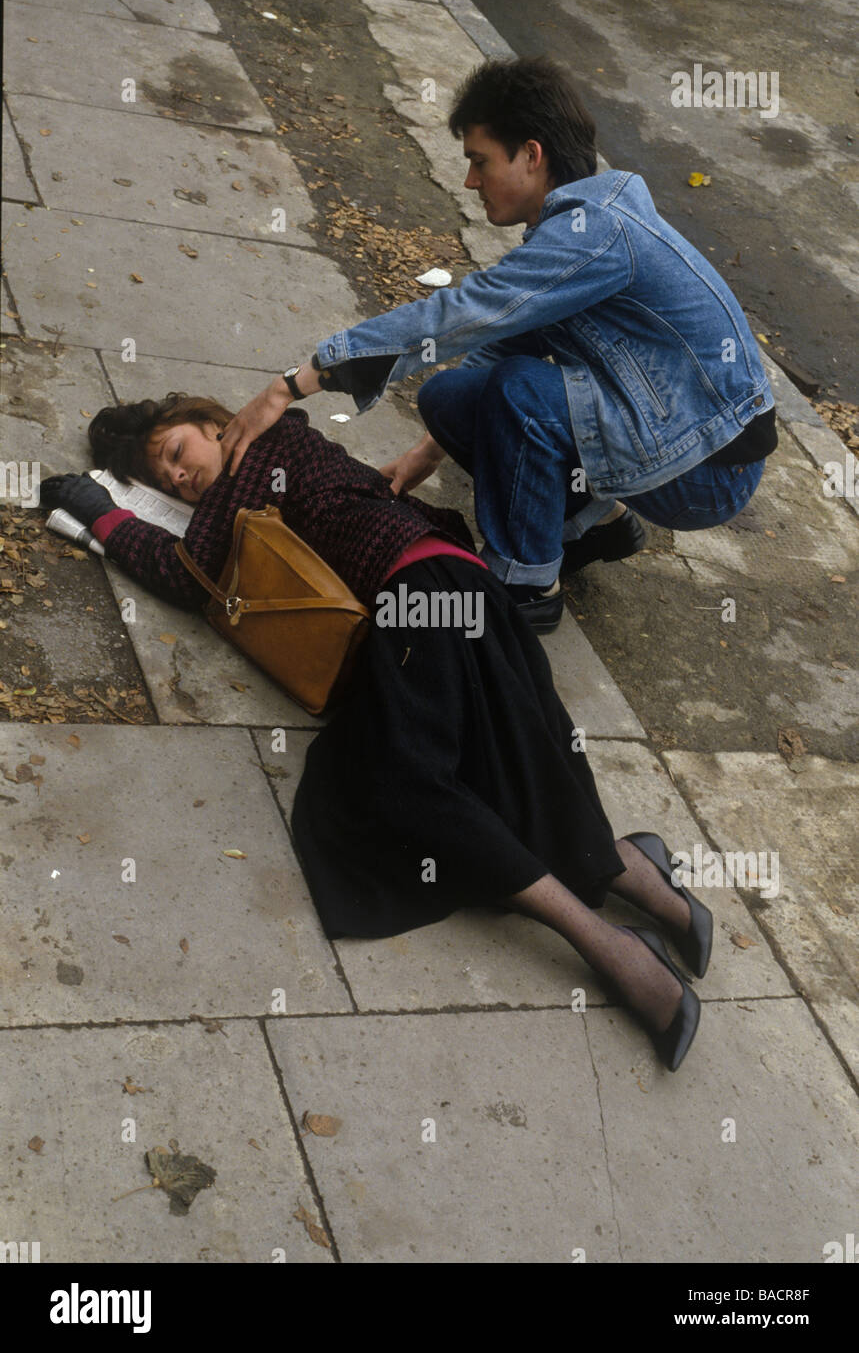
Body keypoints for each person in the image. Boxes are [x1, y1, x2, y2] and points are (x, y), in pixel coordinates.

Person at [39, 394, 713, 1071]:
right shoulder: (279, 455)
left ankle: (616, 949)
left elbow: (184, 574)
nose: (179, 479)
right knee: (500, 773)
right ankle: (638, 872)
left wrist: (106, 515)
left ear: (216, 424)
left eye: (176, 454)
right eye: (164, 481)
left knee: (402, 787)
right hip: (462, 592)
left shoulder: (255, 453)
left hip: (422, 595)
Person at [219, 56, 776, 632]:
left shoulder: (596, 234)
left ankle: (526, 587)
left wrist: (295, 382)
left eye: (479, 162)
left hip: (709, 468)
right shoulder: (580, 223)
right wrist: (426, 451)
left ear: (532, 156)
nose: (469, 182)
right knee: (453, 398)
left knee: (520, 393)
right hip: (673, 431)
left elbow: (462, 312)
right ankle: (585, 526)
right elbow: (508, 336)